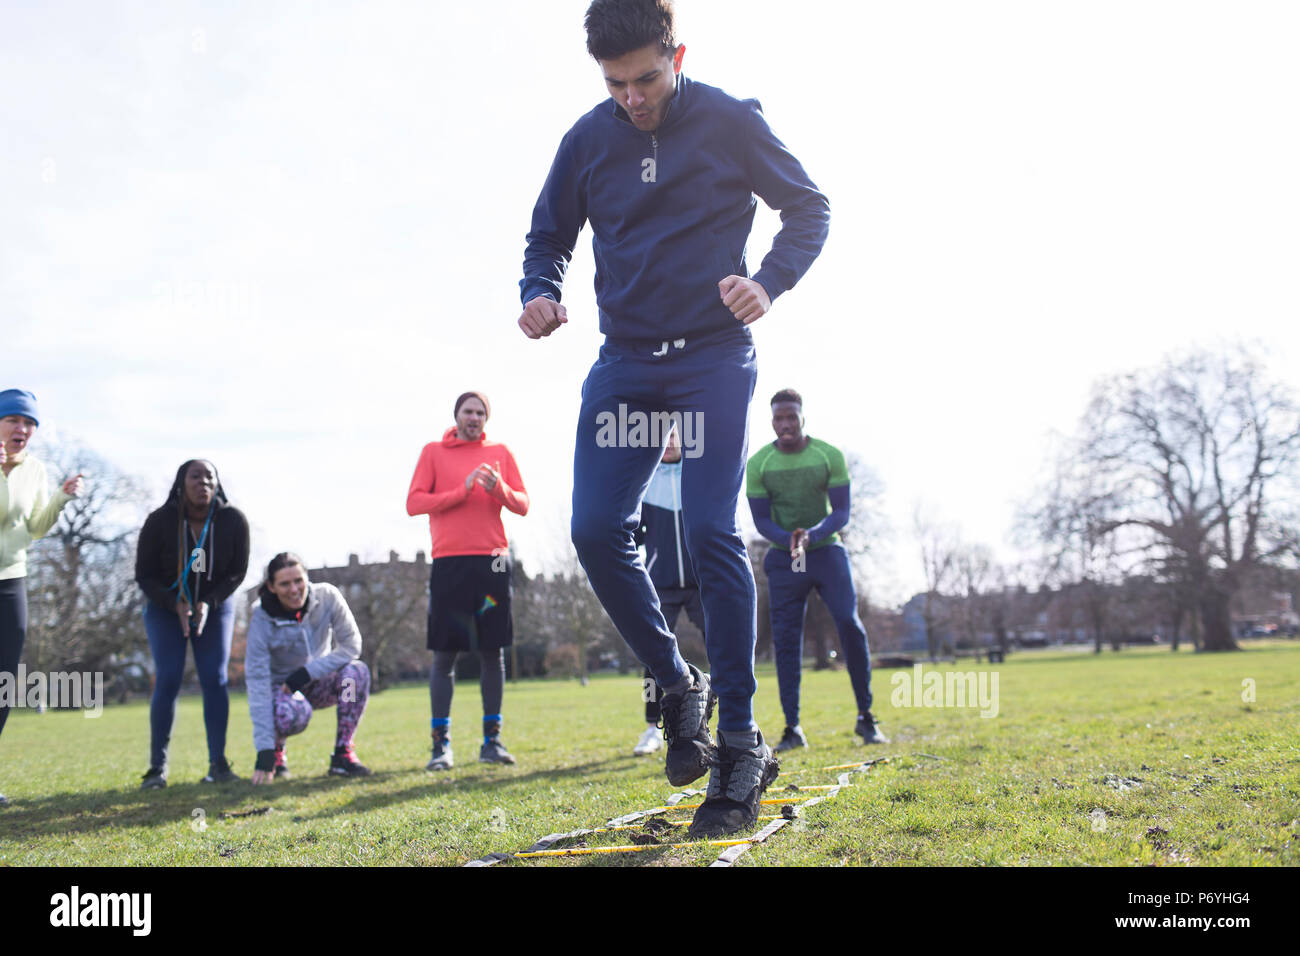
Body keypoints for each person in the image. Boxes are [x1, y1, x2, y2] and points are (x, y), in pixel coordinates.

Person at [516, 0, 829, 837]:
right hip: (626, 365)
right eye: (615, 84)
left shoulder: (729, 121)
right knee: (592, 528)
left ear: (677, 53)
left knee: (711, 531)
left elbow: (809, 207)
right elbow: (547, 236)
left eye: (646, 79)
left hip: (712, 359)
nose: (633, 99)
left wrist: (768, 280)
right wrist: (538, 291)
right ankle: (675, 683)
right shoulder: (588, 138)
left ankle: (739, 736)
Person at [746, 389, 888, 751]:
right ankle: (793, 728)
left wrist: (812, 535)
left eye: (791, 416)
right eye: (779, 418)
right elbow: (761, 519)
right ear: (772, 421)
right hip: (784, 556)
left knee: (849, 624)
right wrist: (789, 539)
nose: (786, 424)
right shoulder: (760, 463)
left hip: (825, 551)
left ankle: (866, 718)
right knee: (787, 640)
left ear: (802, 417)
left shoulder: (828, 455)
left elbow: (841, 512)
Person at [406, 391, 529, 770]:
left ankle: (491, 741)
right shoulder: (432, 452)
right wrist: (463, 491)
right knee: (445, 654)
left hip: (492, 563)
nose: (474, 418)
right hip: (450, 564)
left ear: (486, 418)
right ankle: (440, 747)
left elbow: (522, 504)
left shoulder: (501, 452)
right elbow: (414, 503)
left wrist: (498, 490)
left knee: (493, 652)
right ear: (456, 415)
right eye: (468, 411)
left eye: (480, 413)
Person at [135, 459, 250, 788]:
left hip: (215, 607)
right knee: (168, 678)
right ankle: (157, 768)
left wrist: (207, 602)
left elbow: (237, 572)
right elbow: (143, 575)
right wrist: (175, 604)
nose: (203, 482)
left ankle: (218, 765)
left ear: (217, 484)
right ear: (181, 483)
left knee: (214, 677)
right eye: (195, 476)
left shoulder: (232, 520)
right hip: (165, 609)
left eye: (209, 476)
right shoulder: (159, 521)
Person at [0, 390, 84, 808]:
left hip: (12, 580)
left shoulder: (34, 469)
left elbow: (33, 527)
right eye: (14, 420)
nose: (22, 429)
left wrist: (62, 498)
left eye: (29, 423)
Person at [246, 553, 372, 783]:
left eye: (298, 581)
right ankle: (276, 751)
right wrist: (263, 750)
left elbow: (351, 646)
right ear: (271, 587)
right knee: (291, 714)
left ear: (306, 578)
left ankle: (343, 753)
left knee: (356, 674)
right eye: (284, 584)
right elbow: (257, 680)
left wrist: (306, 673)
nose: (294, 589)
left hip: (319, 683)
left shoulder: (328, 596)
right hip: (282, 692)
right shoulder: (261, 617)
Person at [632, 427, 706, 756]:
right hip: (659, 582)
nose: (670, 441)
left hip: (700, 579)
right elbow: (631, 534)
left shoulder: (698, 474)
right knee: (653, 655)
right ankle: (651, 727)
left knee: (722, 644)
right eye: (664, 435)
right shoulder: (643, 481)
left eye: (675, 435)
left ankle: (734, 719)